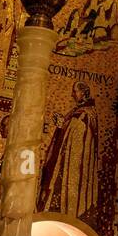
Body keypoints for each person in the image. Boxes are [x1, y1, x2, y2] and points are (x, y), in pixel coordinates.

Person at [39, 81, 99, 220]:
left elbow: (80, 135)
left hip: (74, 162)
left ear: (83, 93)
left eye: (75, 91)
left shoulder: (87, 113)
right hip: (65, 158)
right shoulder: (77, 112)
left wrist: (65, 126)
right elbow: (68, 132)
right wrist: (61, 125)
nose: (72, 94)